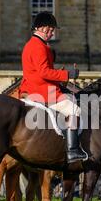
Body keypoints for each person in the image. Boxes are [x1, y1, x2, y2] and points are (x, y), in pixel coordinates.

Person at [19, 11, 88, 163]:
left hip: (34, 87)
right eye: (50, 30)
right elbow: (44, 72)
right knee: (74, 110)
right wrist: (67, 74)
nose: (51, 33)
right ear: (42, 28)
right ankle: (72, 150)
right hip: (42, 90)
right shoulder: (39, 46)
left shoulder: (32, 44)